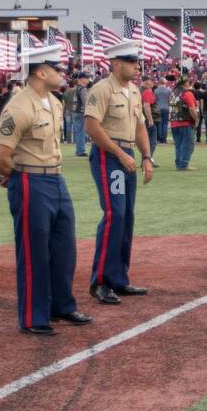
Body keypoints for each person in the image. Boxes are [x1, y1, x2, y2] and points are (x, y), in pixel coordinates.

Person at [0, 44, 93, 336]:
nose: (63, 72)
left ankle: (62, 305)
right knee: (34, 252)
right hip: (30, 180)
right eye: (57, 68)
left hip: (56, 179)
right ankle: (34, 316)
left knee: (64, 249)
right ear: (40, 71)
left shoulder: (55, 102)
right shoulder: (20, 105)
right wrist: (15, 176)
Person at [84, 41, 153, 305]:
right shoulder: (102, 89)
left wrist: (146, 156)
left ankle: (119, 277)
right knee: (115, 214)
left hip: (127, 157)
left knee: (127, 217)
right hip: (109, 156)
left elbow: (139, 127)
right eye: (131, 61)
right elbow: (91, 126)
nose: (137, 66)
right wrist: (119, 153)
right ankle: (100, 281)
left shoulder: (134, 91)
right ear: (115, 63)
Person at [169, 74, 200, 170]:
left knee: (178, 145)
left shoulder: (173, 93)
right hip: (185, 122)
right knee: (187, 144)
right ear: (186, 83)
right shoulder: (187, 93)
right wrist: (196, 119)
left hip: (174, 122)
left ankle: (179, 163)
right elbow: (191, 109)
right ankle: (184, 164)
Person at [71, 71, 90, 156]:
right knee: (81, 132)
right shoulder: (82, 89)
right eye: (87, 78)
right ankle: (81, 150)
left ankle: (79, 150)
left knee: (78, 132)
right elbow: (85, 101)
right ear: (82, 79)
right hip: (81, 111)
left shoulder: (76, 88)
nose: (88, 80)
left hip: (75, 111)